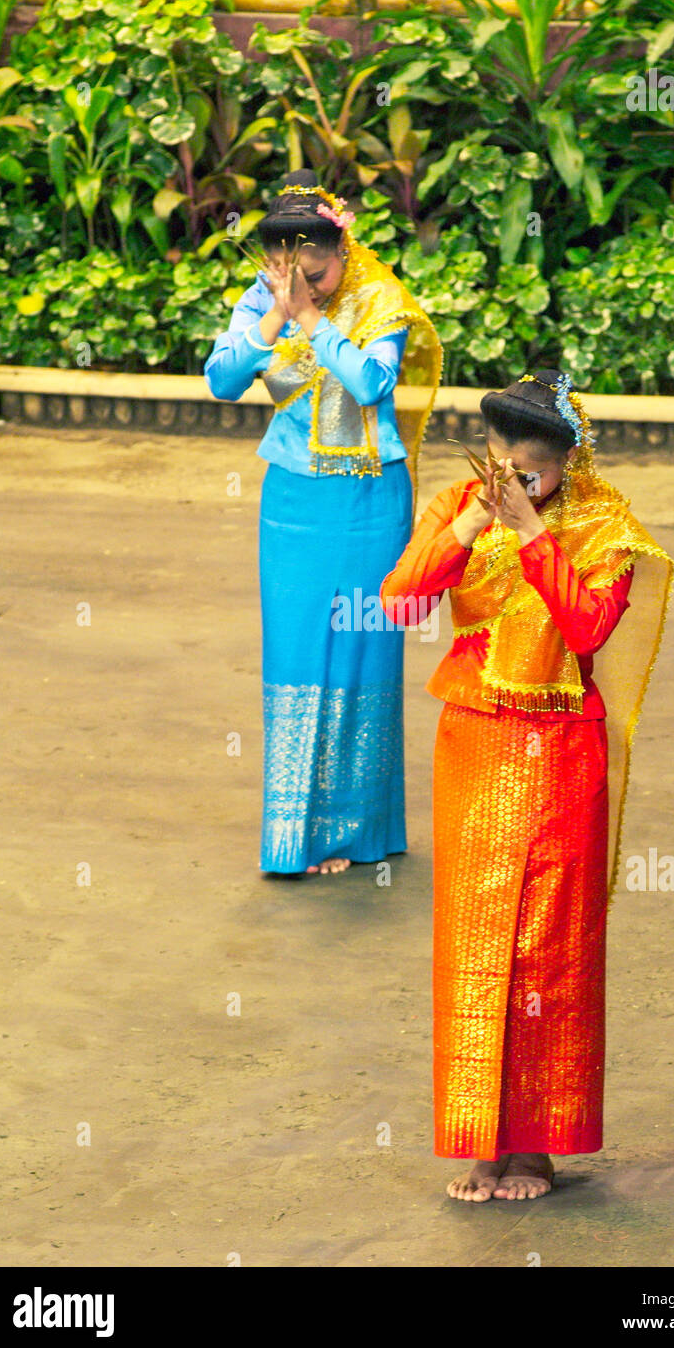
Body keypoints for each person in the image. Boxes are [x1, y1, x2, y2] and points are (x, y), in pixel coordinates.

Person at [380, 369, 674, 1200]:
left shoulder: (604, 526)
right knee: (474, 945)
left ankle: (537, 1146)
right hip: (474, 738)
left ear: (566, 467)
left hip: (562, 751)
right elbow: (400, 603)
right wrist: (471, 527)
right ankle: (480, 1141)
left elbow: (586, 625)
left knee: (550, 949)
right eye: (502, 465)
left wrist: (533, 538)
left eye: (532, 473)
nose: (514, 483)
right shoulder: (457, 504)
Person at [204, 170, 442, 877]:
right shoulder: (263, 296)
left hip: (371, 503)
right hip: (294, 506)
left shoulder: (381, 300)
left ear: (344, 248)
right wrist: (277, 316)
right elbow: (220, 380)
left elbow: (371, 383)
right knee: (299, 656)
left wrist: (312, 318)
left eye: (318, 272)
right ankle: (295, 835)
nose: (308, 282)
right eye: (293, 273)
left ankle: (352, 831)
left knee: (363, 661)